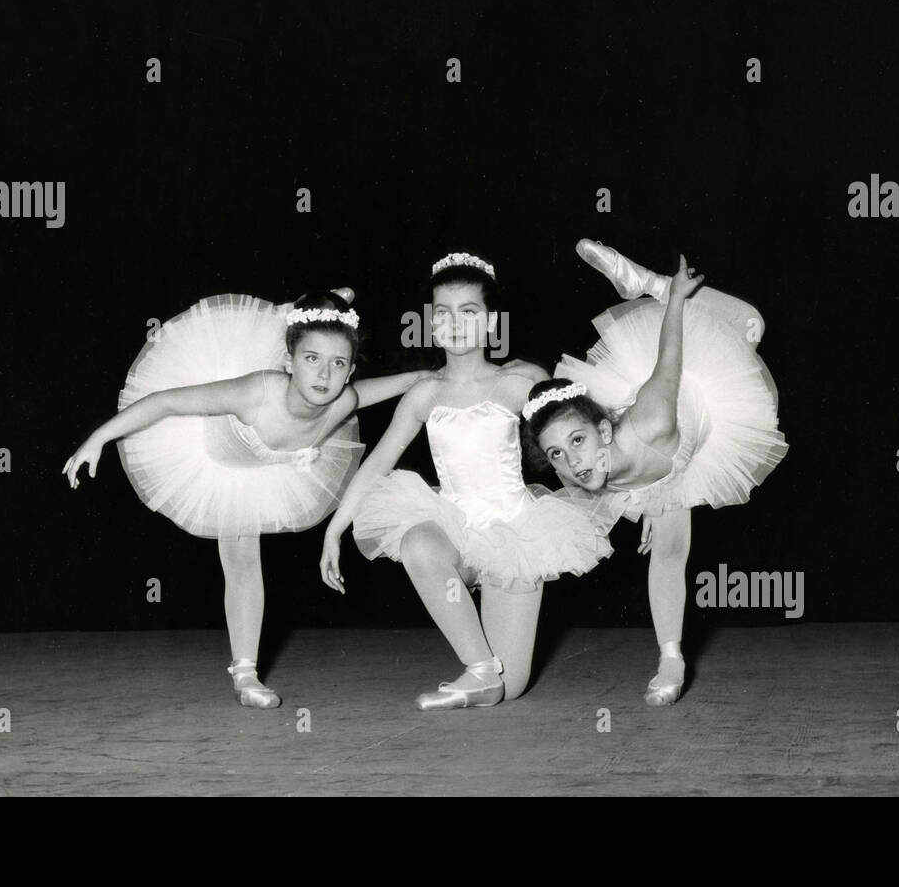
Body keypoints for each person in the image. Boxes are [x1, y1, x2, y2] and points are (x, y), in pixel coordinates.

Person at [62, 289, 428, 708]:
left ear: (348, 372)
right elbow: (165, 401)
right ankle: (293, 309)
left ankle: (247, 677)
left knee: (244, 563)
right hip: (207, 450)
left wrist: (421, 378)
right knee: (240, 559)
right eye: (312, 359)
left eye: (337, 364)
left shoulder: (342, 398)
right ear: (288, 362)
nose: (324, 375)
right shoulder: (255, 390)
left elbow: (375, 390)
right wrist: (99, 438)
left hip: (263, 470)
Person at [320, 252, 613, 710]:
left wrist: (633, 494)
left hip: (513, 534)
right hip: (452, 526)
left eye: (469, 312)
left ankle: (491, 676)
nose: (455, 324)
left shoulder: (522, 381)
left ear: (492, 322)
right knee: (417, 540)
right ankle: (477, 668)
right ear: (431, 323)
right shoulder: (425, 394)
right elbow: (377, 463)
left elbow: (574, 445)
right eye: (443, 314)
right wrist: (335, 529)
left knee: (509, 687)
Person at [522, 240, 788, 705]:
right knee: (668, 551)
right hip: (658, 467)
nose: (573, 463)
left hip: (699, 395)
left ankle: (650, 283)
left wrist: (675, 297)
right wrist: (643, 499)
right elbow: (602, 484)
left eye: (578, 442)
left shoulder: (654, 420)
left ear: (603, 430)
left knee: (750, 325)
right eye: (558, 454)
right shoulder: (574, 472)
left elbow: (669, 356)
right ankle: (671, 659)